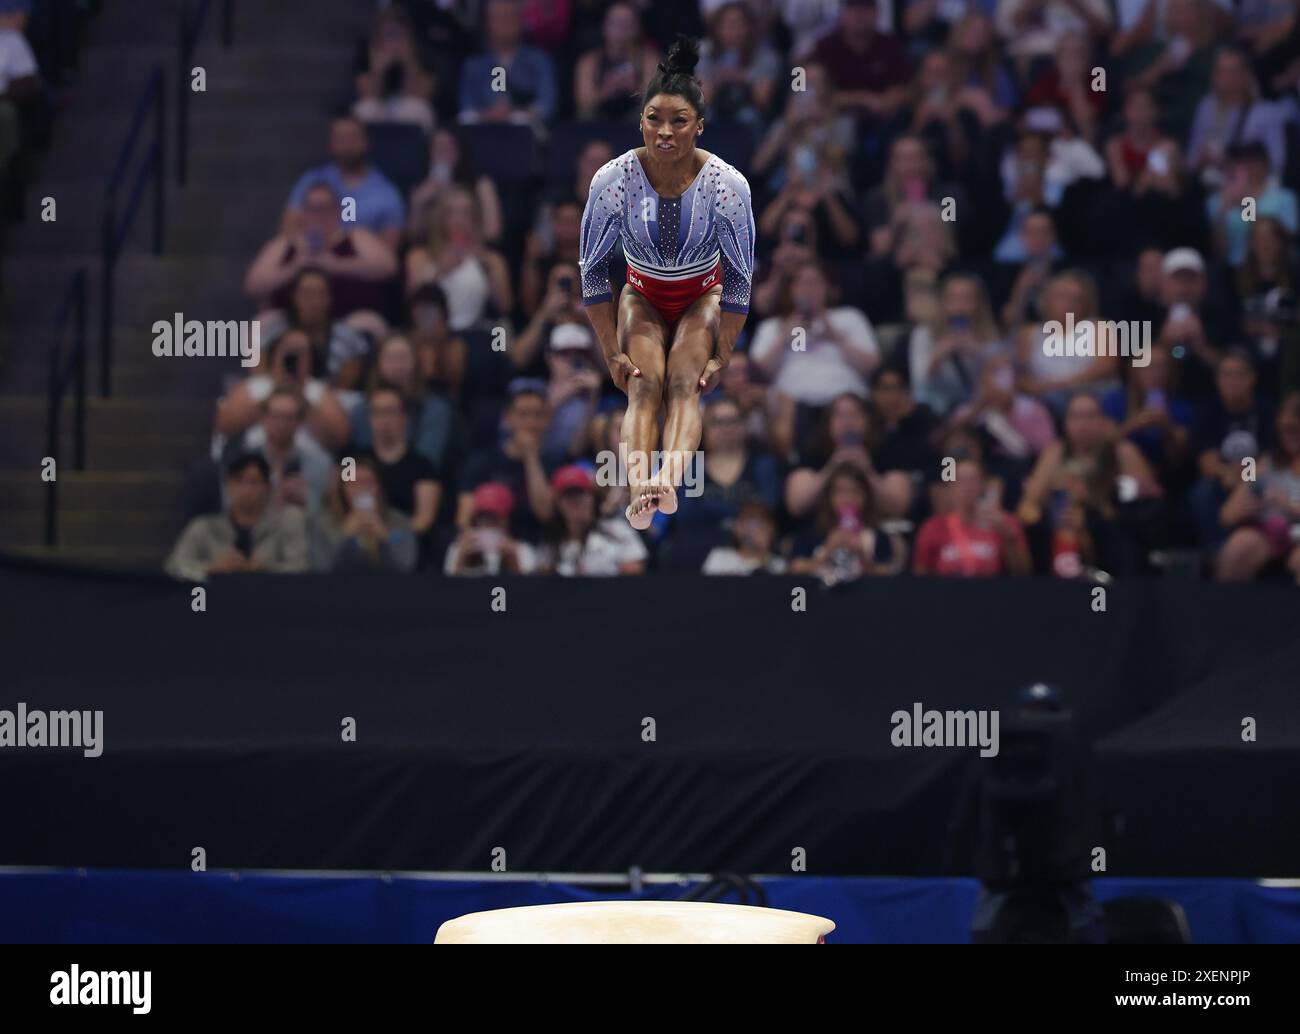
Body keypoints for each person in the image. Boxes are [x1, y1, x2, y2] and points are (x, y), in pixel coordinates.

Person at [578, 35, 755, 527]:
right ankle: (641, 489)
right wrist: (611, 348)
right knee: (642, 386)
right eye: (654, 118)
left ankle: (667, 481)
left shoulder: (727, 185)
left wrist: (724, 351)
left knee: (684, 384)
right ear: (641, 122)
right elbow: (593, 272)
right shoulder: (612, 179)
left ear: (698, 126)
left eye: (679, 121)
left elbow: (739, 279)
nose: (665, 131)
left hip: (704, 294)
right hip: (643, 294)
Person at [165, 454, 309, 581]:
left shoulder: (287, 520)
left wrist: (265, 570)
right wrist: (213, 569)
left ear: (267, 486)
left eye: (253, 482)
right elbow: (174, 567)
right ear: (228, 485)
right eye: (239, 481)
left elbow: (300, 567)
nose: (246, 490)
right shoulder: (204, 527)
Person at [283, 116, 406, 252]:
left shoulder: (386, 192)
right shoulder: (311, 180)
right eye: (340, 139)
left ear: (367, 141)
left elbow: (388, 252)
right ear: (330, 144)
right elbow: (289, 229)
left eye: (353, 138)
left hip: (363, 267)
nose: (347, 145)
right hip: (313, 260)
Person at [1216, 391, 1300, 581]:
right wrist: (1243, 509)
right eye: (1285, 430)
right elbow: (1226, 515)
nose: (1290, 437)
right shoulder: (1262, 463)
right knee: (1239, 546)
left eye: (1295, 430)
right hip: (1268, 532)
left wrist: (1288, 504)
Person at [914, 454, 1032, 576]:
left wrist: (1009, 537)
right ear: (950, 486)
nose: (967, 487)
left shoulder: (1004, 522)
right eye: (960, 480)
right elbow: (920, 577)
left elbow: (1023, 574)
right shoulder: (934, 526)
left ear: (983, 484)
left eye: (972, 480)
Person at [310, 455, 418, 573]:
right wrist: (345, 537)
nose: (361, 489)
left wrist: (385, 537)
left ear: (377, 486)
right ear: (343, 488)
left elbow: (406, 567)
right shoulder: (324, 523)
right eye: (353, 484)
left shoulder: (399, 521)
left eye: (367, 483)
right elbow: (321, 570)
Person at [537, 464, 648, 575]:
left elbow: (634, 577)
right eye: (568, 495)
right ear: (558, 502)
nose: (574, 501)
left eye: (579, 493)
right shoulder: (551, 543)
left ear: (591, 497)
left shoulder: (617, 531)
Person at [444, 482, 540, 575]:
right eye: (482, 516)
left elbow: (530, 589)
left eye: (494, 518)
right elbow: (445, 587)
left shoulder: (522, 550)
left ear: (506, 519)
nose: (487, 522)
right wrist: (461, 558)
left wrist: (513, 562)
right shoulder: (459, 548)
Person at [701, 500, 789, 575]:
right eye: (747, 521)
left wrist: (762, 554)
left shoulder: (778, 564)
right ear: (737, 527)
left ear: (771, 529)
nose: (752, 530)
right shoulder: (719, 556)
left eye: (760, 524)